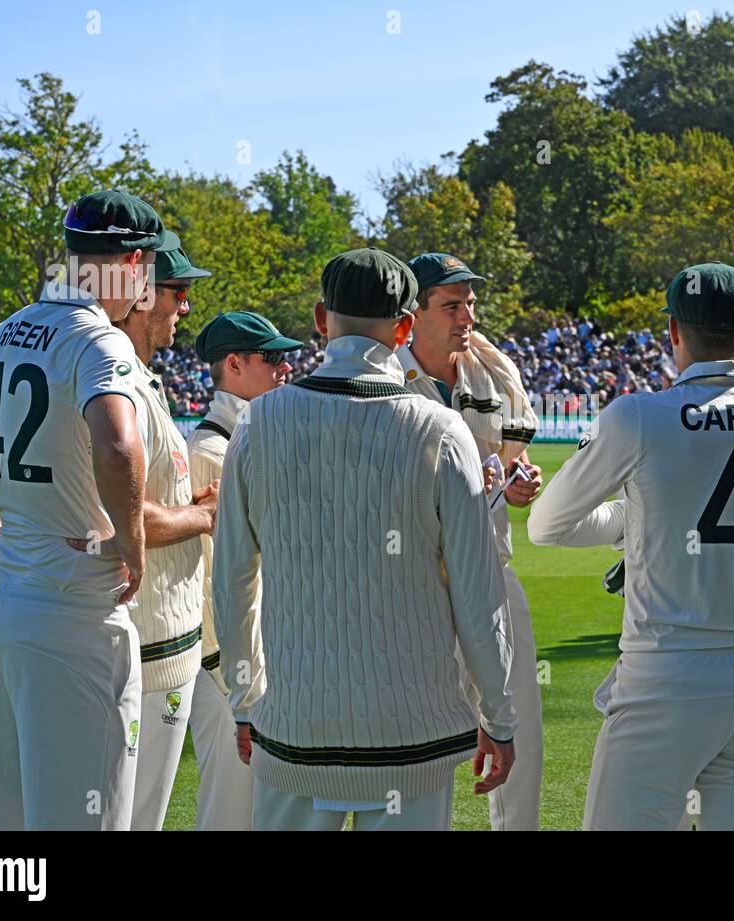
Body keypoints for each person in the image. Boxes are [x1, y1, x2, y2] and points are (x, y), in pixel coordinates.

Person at [211, 248, 517, 831]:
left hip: (297, 724)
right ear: (404, 327)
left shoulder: (259, 423)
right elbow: (480, 595)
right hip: (412, 734)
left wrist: (244, 700)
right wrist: (498, 717)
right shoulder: (440, 429)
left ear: (323, 319)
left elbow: (232, 583)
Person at [529, 262, 734, 831]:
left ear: (673, 330)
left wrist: (634, 521)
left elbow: (546, 526)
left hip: (666, 679)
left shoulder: (638, 415)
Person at [0, 189, 168, 829]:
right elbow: (117, 446)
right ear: (136, 263)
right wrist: (133, 545)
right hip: (79, 619)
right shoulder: (100, 343)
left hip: (6, 611)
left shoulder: (9, 330)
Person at [397, 252, 544, 831]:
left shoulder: (490, 372)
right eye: (451, 305)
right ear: (414, 313)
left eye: (471, 304)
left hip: (489, 571)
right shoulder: (386, 374)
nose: (467, 317)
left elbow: (513, 463)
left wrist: (518, 483)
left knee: (520, 727)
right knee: (417, 734)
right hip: (413, 581)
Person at [105, 239, 217, 829]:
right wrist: (203, 517)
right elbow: (127, 513)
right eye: (179, 294)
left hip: (164, 647)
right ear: (142, 296)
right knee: (128, 816)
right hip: (148, 651)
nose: (186, 308)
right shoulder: (118, 374)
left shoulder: (137, 375)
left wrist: (187, 507)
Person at [186, 311, 301, 830]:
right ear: (234, 364)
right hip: (231, 672)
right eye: (272, 358)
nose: (286, 368)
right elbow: (216, 586)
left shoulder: (256, 436)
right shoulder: (212, 452)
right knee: (232, 810)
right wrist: (239, 686)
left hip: (266, 661)